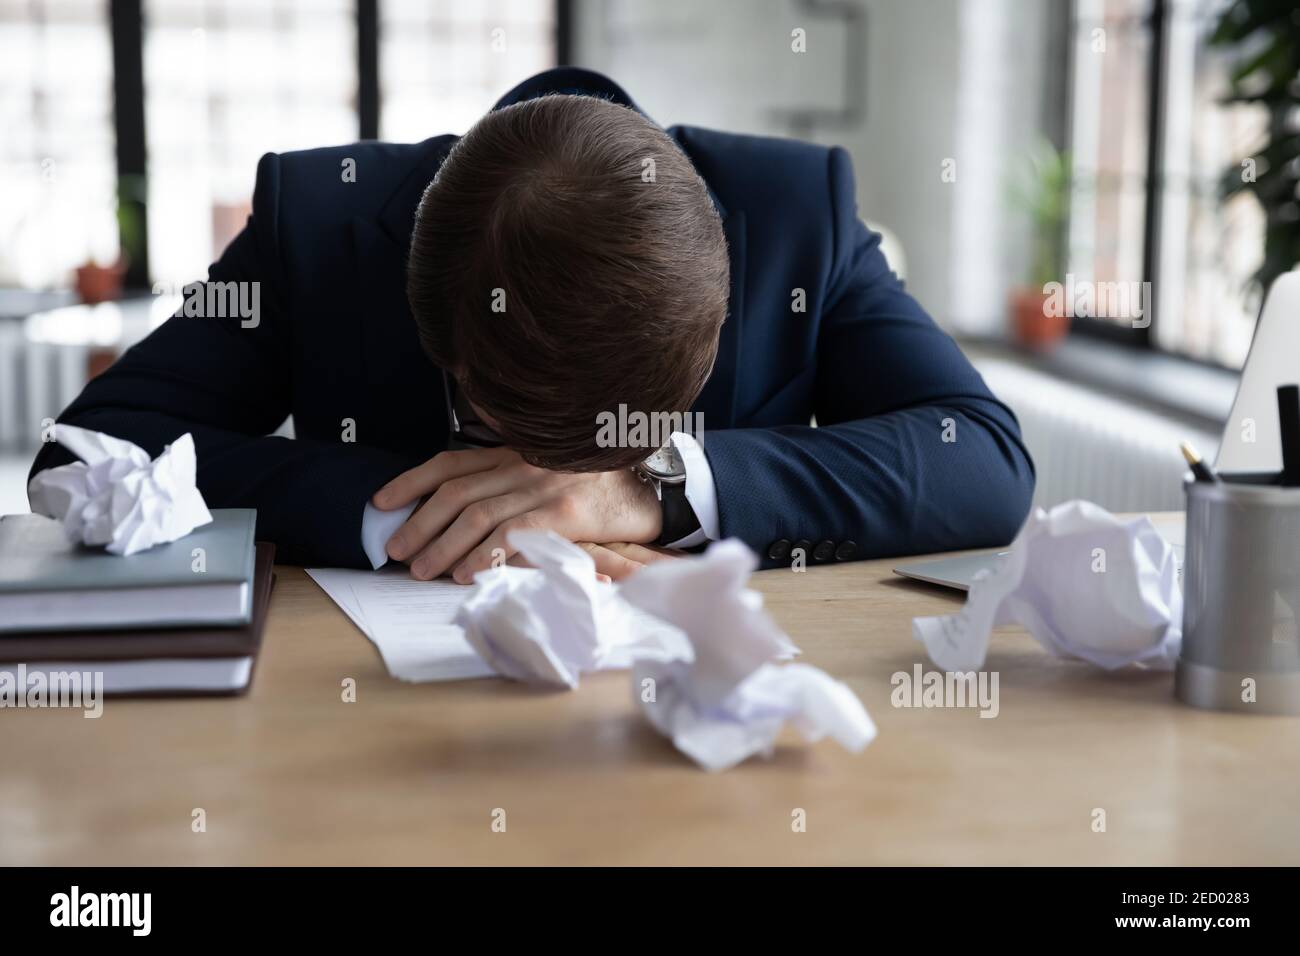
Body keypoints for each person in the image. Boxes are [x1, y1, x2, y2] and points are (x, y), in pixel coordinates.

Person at [30, 68, 1035, 581]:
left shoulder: (793, 214)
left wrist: (651, 487)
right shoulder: (321, 223)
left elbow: (982, 460)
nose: (543, 476)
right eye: (495, 422)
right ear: (431, 322)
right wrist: (414, 516)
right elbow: (85, 452)